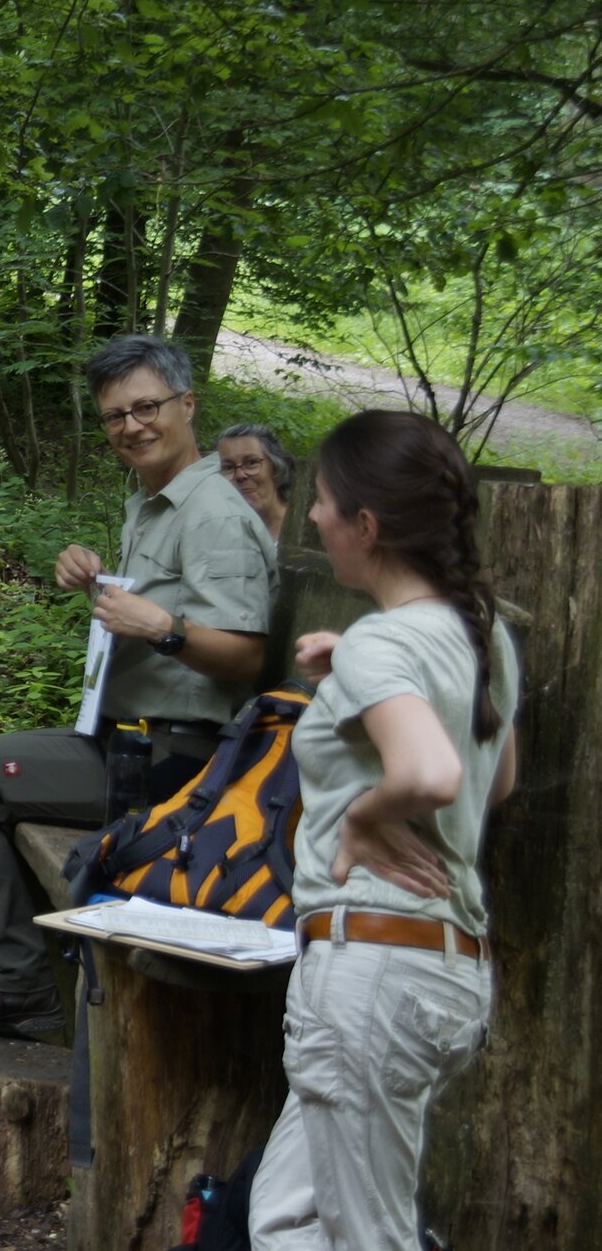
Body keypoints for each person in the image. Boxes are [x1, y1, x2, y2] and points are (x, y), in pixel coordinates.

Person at [0, 334, 278, 1037]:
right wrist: (95, 575)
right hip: (124, 738)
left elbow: (244, 656)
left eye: (146, 407)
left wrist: (161, 624)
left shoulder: (211, 512)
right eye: (115, 416)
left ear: (187, 405)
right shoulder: (151, 501)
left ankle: (17, 982)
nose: (131, 426)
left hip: (176, 765)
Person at [248, 410, 519, 1250]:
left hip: (371, 969)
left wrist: (365, 818)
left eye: (324, 501)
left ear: (366, 526)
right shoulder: (482, 634)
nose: (315, 515)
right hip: (440, 975)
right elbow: (494, 776)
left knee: (368, 1238)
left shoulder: (383, 640)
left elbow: (434, 775)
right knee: (287, 1221)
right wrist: (354, 684)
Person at [217, 422, 296, 543]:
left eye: (251, 463)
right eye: (228, 467)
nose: (240, 475)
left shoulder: (304, 530)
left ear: (276, 467)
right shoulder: (221, 535)